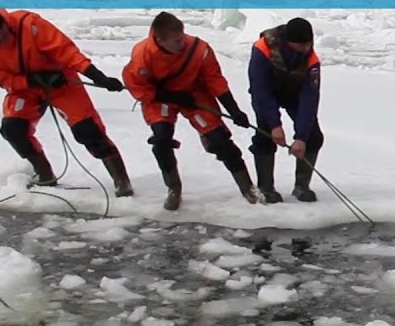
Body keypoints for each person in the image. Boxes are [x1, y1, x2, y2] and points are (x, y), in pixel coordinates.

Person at [0, 6, 134, 196]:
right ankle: (45, 174)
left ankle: (122, 181)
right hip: (26, 89)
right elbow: (4, 79)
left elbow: (67, 52)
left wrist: (97, 76)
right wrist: (31, 81)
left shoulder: (30, 25)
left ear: (4, 22)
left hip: (62, 83)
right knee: (13, 129)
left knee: (88, 129)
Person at [122, 11, 259, 211]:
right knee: (162, 140)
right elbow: (137, 85)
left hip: (194, 95)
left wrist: (234, 110)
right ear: (160, 40)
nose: (182, 43)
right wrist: (171, 96)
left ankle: (248, 188)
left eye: (182, 37)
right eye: (176, 41)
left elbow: (215, 80)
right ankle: (174, 188)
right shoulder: (142, 53)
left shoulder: (199, 49)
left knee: (221, 142)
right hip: (161, 97)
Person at [247, 17, 323, 203]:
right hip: (266, 94)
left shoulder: (311, 59)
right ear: (288, 41)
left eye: (309, 43)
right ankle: (266, 187)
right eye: (301, 44)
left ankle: (302, 186)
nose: (306, 48)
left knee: (313, 136)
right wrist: (275, 125)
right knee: (265, 135)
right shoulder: (262, 49)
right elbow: (260, 89)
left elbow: (309, 98)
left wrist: (301, 137)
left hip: (294, 93)